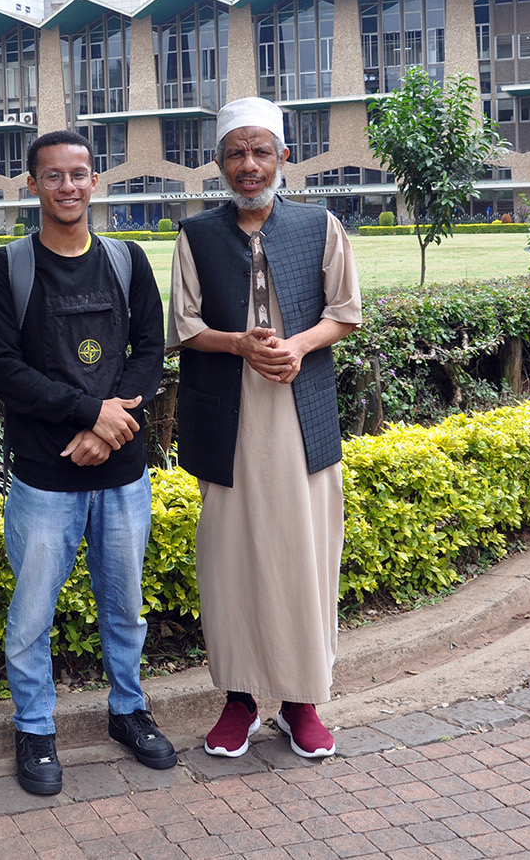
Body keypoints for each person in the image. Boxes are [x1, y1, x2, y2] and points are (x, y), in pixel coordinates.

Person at [0, 129, 175, 796]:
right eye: (53, 175)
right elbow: (6, 372)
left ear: (96, 181)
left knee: (125, 608)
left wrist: (111, 427)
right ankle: (35, 729)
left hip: (122, 476)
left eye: (79, 173)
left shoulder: (125, 260)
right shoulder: (6, 268)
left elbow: (150, 350)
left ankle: (128, 711)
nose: (68, 186)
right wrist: (90, 415)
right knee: (31, 617)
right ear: (32, 184)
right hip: (44, 478)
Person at [167, 96, 361, 761]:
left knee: (306, 553)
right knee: (231, 559)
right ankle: (242, 700)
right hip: (229, 420)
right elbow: (186, 328)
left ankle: (303, 700)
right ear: (219, 164)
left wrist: (299, 346)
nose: (248, 166)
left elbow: (346, 312)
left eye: (260, 151)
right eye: (235, 154)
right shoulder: (195, 236)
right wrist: (240, 346)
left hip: (302, 415)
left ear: (284, 156)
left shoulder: (321, 225)